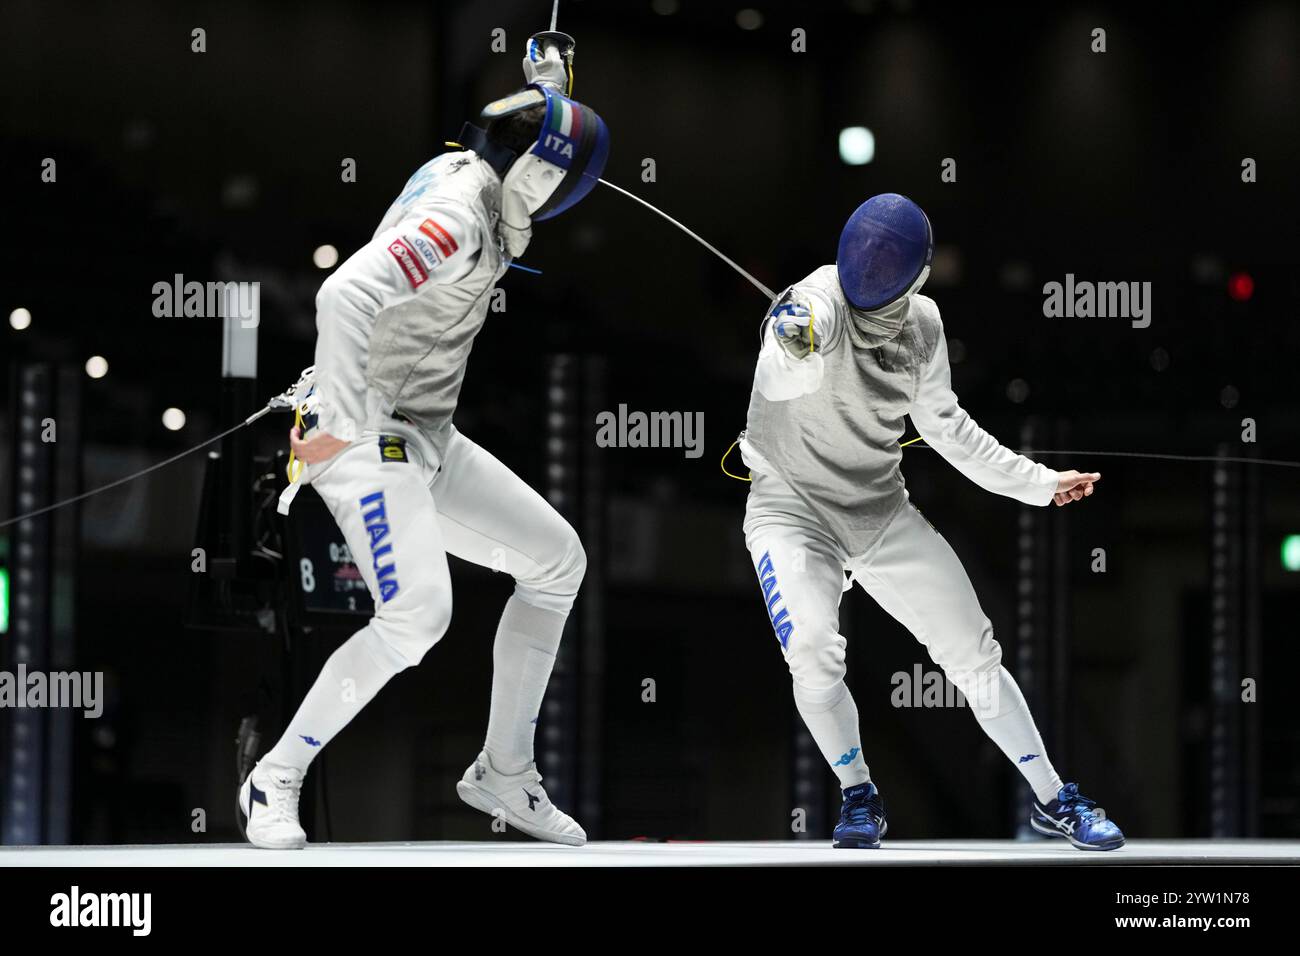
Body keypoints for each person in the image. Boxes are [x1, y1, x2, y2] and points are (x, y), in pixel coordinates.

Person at [238, 34, 608, 849]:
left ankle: (503, 774)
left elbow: (523, 139)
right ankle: (273, 779)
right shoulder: (454, 219)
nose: (548, 201)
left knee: (557, 561)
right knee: (416, 616)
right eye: (550, 182)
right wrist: (339, 418)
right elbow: (343, 297)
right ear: (529, 170)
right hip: (362, 432)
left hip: (426, 432)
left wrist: (550, 88)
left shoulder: (482, 176)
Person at [739, 193, 1124, 850]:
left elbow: (949, 431)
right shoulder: (812, 303)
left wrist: (1038, 482)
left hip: (878, 511)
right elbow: (780, 381)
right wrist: (790, 345)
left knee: (974, 653)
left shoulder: (923, 327)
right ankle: (859, 794)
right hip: (790, 511)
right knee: (810, 651)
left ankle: (1055, 800)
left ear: (913, 280)